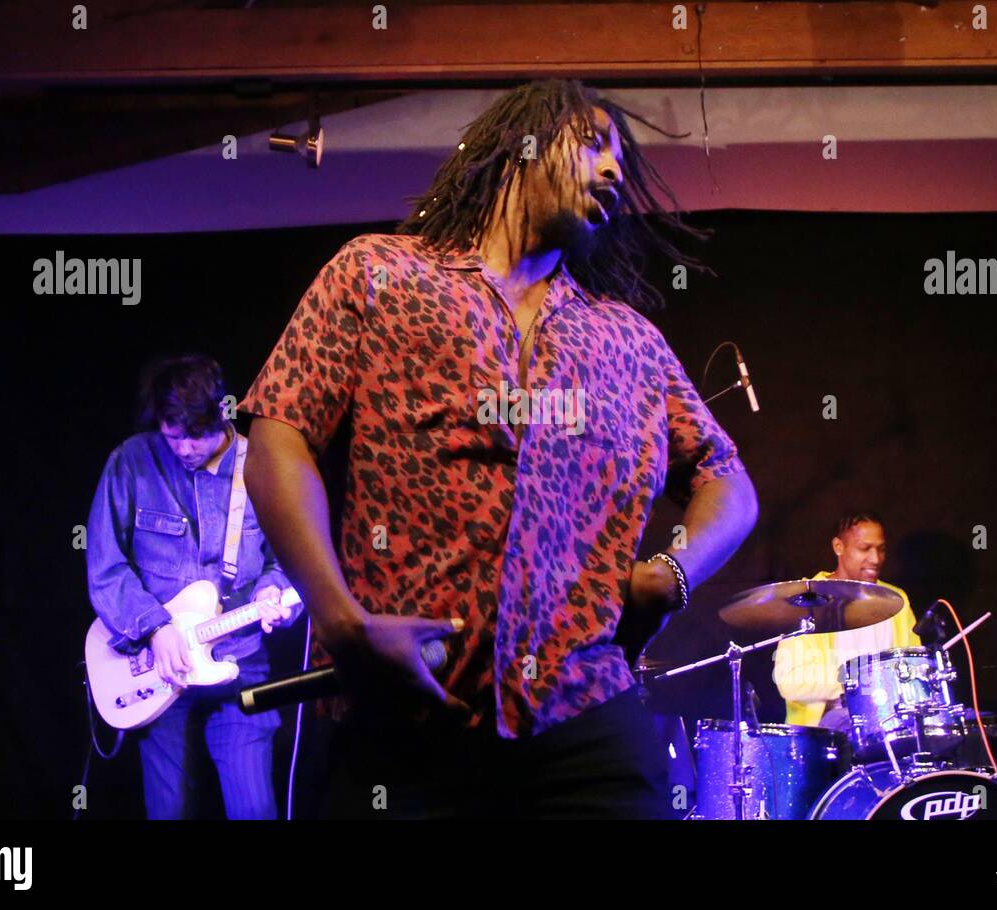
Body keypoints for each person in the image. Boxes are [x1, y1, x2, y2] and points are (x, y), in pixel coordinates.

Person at [241, 79, 758, 819]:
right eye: (592, 146)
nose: (615, 172)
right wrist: (338, 621)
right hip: (409, 714)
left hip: (583, 720)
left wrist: (672, 574)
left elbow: (728, 478)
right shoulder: (378, 273)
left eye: (622, 161)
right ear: (517, 147)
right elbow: (278, 433)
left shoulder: (629, 340)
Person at [86, 354, 299, 819]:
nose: (184, 448)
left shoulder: (261, 464)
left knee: (255, 809)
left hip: (240, 660)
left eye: (196, 435)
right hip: (160, 668)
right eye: (172, 434)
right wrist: (155, 626)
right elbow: (105, 565)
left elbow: (287, 558)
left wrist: (273, 590)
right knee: (168, 810)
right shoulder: (132, 461)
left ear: (222, 415)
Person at [772, 510, 919, 728]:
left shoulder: (896, 599)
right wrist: (860, 683)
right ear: (838, 547)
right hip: (826, 735)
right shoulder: (807, 600)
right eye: (865, 549)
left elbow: (914, 666)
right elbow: (791, 682)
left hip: (891, 722)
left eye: (881, 549)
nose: (875, 559)